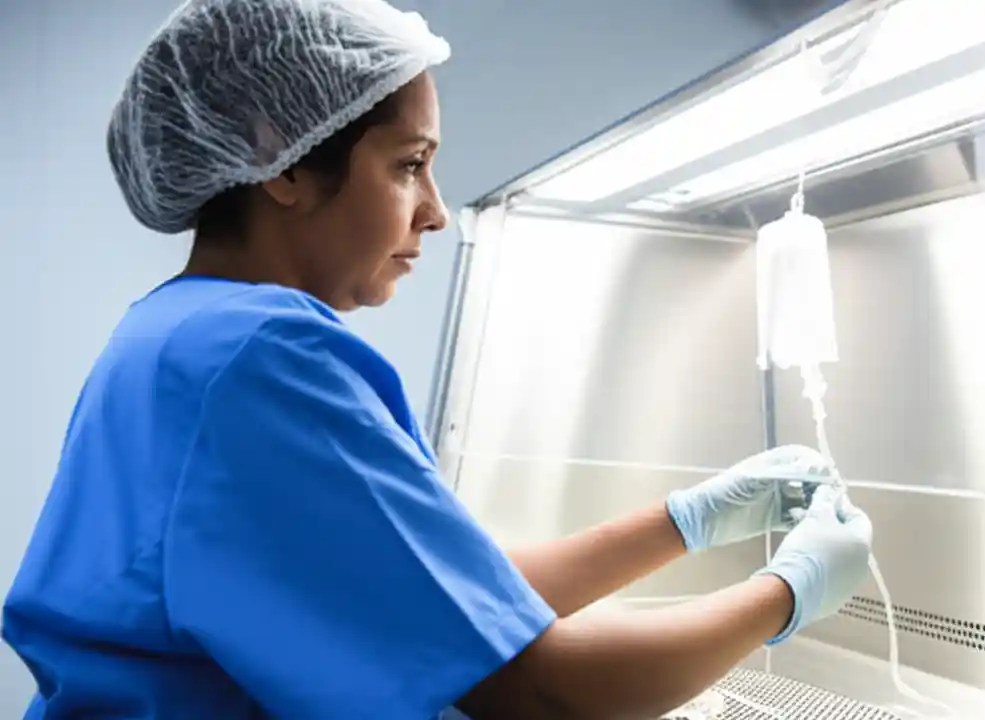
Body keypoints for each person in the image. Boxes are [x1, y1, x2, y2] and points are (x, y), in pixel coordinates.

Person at [1, 1, 874, 718]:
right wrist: (787, 594)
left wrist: (684, 521)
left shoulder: (173, 334)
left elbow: (456, 601)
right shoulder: (263, 356)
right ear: (280, 162)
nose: (436, 214)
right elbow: (543, 692)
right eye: (409, 165)